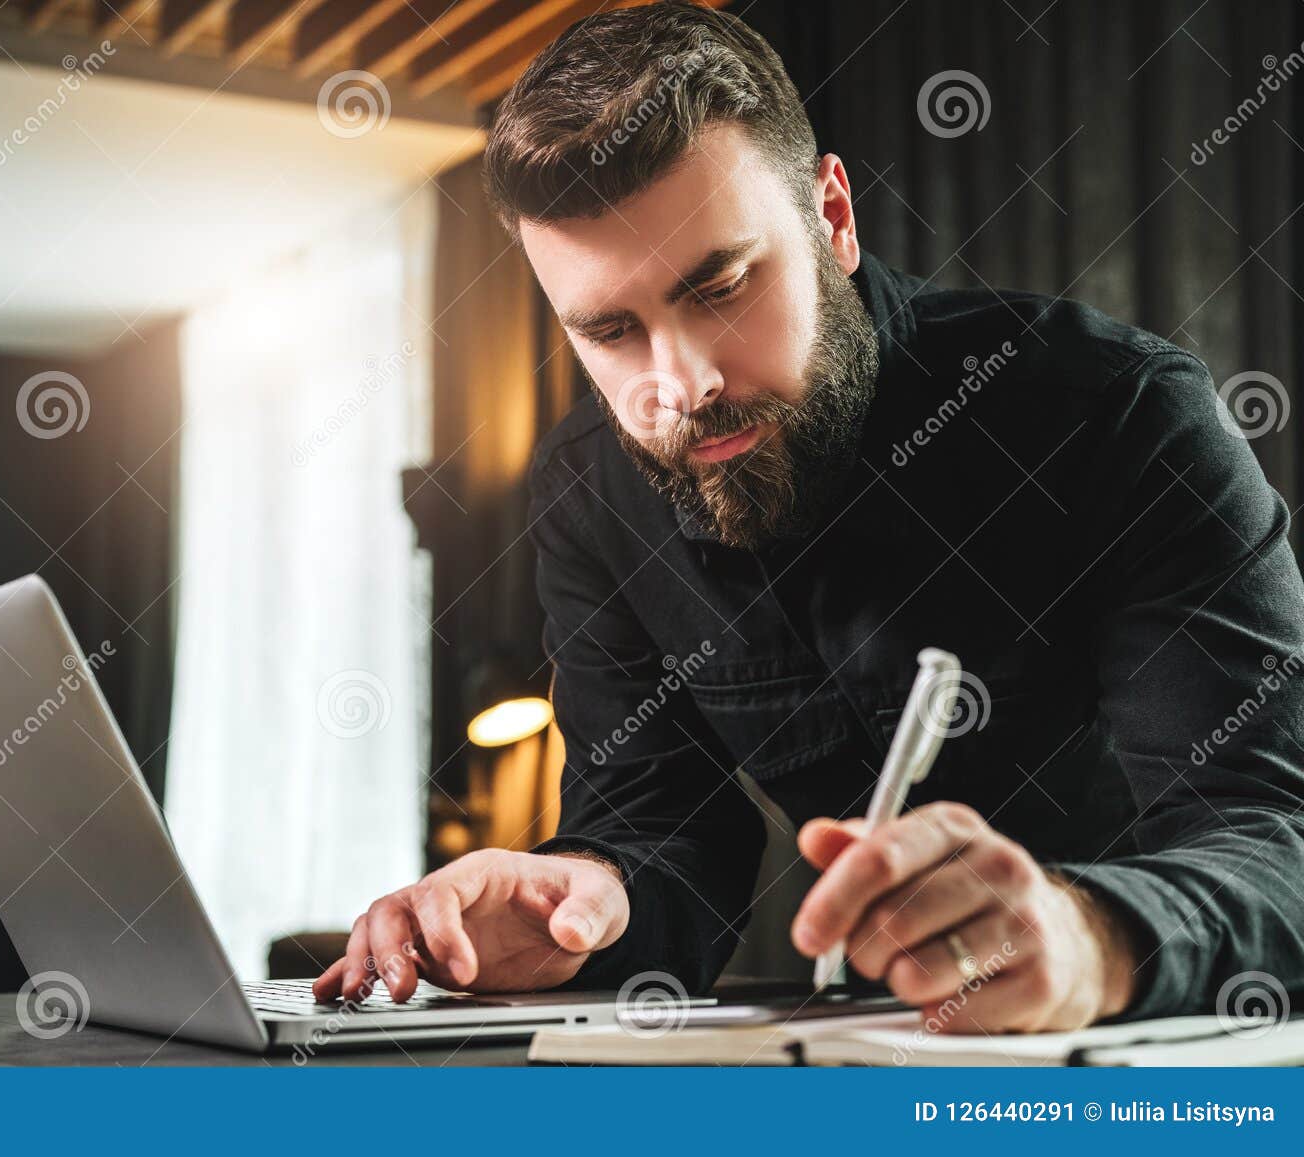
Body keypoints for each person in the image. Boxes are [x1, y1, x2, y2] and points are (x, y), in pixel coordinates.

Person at [313, 0, 1304, 1031]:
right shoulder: (592, 491)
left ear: (833, 218)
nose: (682, 384)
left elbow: (1271, 830)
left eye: (723, 285)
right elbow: (662, 834)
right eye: (611, 330)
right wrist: (584, 907)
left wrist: (1094, 935)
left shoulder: (1119, 415)